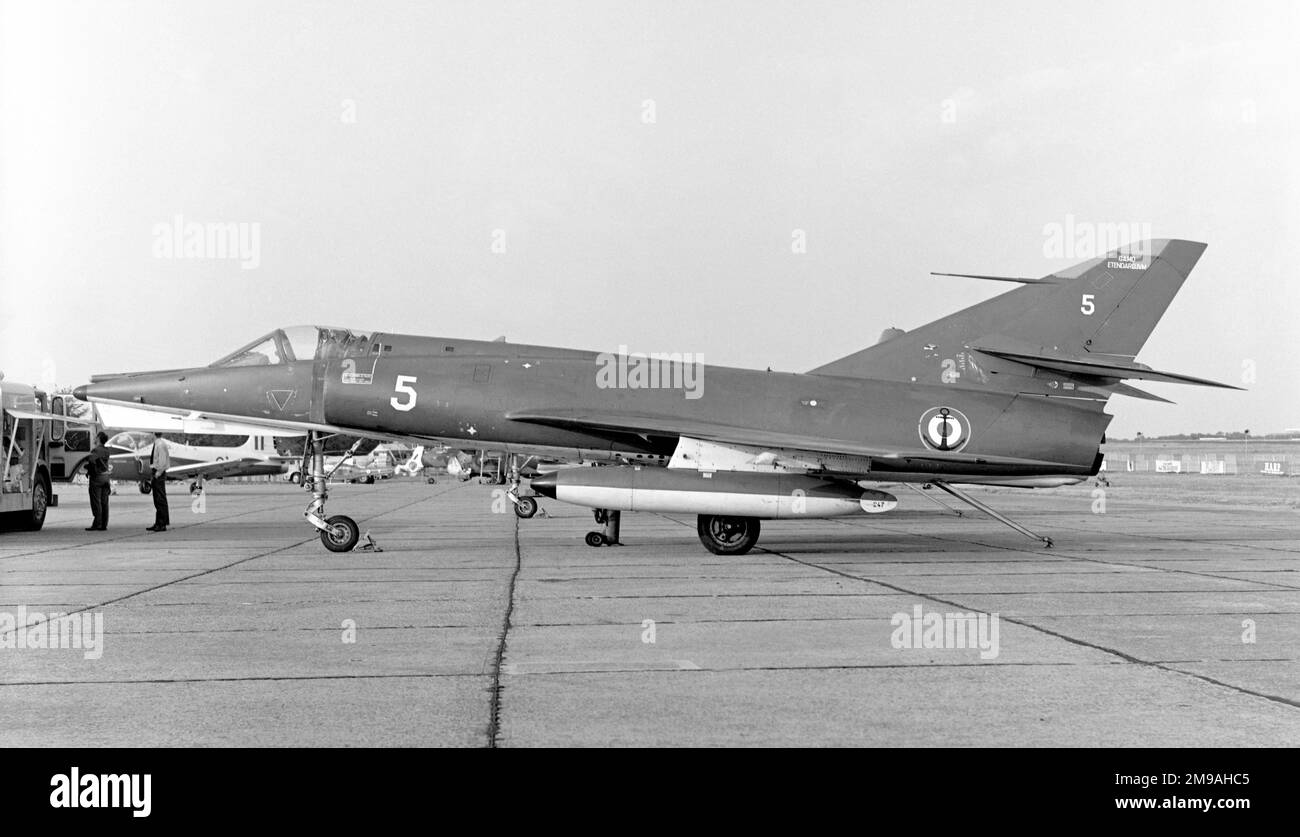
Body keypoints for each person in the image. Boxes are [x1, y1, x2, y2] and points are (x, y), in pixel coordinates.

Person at [85, 431, 112, 530]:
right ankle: (104, 524)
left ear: (99, 438)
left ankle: (97, 523)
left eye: (96, 437)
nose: (94, 438)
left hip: (97, 478)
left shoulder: (96, 451)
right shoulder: (106, 451)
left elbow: (92, 461)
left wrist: (90, 471)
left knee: (96, 501)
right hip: (106, 478)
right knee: (104, 502)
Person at [146, 432, 171, 532]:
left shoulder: (160, 445)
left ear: (153, 434)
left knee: (160, 499)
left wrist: (158, 473)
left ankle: (162, 523)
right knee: (157, 499)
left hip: (158, 473)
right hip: (157, 472)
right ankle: (158, 522)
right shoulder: (158, 444)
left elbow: (162, 461)